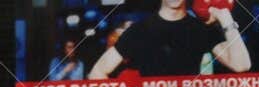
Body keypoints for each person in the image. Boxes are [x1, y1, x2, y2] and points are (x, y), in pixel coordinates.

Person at [89, 1, 249, 78]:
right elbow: (97, 72)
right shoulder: (139, 30)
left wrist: (226, 19)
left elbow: (241, 65)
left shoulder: (200, 29)